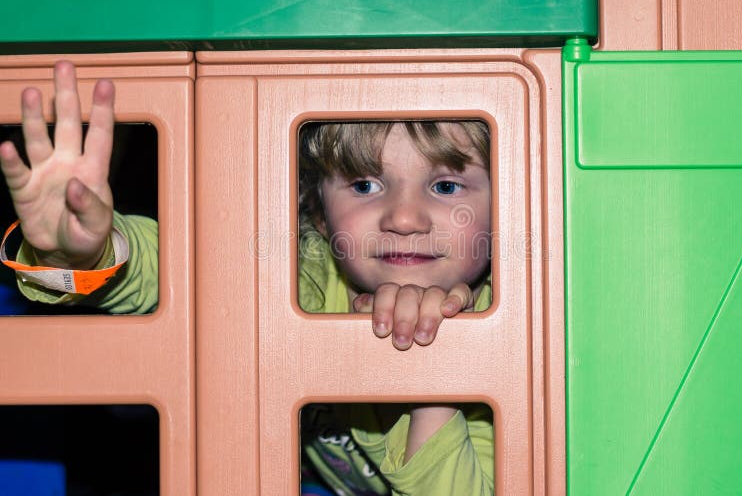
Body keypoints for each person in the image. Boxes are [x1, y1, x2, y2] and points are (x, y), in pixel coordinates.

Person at [0, 61, 494, 495]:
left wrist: (431, 380)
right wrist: (84, 252)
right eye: (364, 184)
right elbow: (186, 271)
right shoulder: (304, 277)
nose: (404, 218)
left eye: (446, 186)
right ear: (319, 214)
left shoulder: (509, 327)